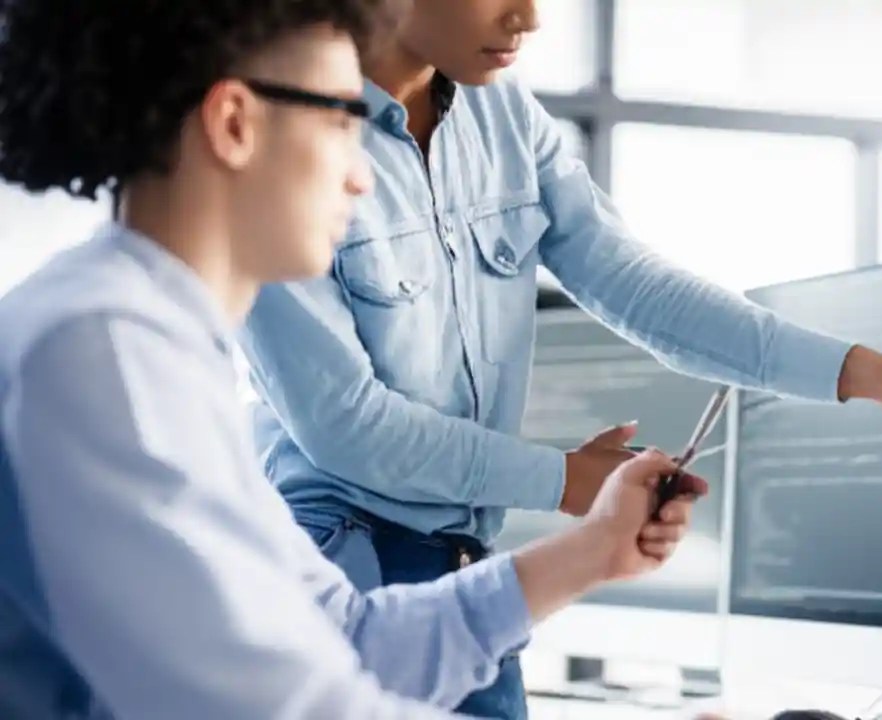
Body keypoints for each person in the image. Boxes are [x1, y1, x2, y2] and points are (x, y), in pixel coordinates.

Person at [238, 1, 882, 717]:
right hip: (343, 563)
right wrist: (570, 482)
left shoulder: (503, 116)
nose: (529, 17)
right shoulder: (284, 135)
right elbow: (345, 428)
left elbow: (635, 287)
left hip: (464, 563)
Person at [0, 1, 703, 718]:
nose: (365, 177)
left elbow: (345, 640)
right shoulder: (98, 353)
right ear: (235, 123)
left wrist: (598, 549)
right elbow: (272, 707)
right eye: (344, 120)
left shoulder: (161, 349)